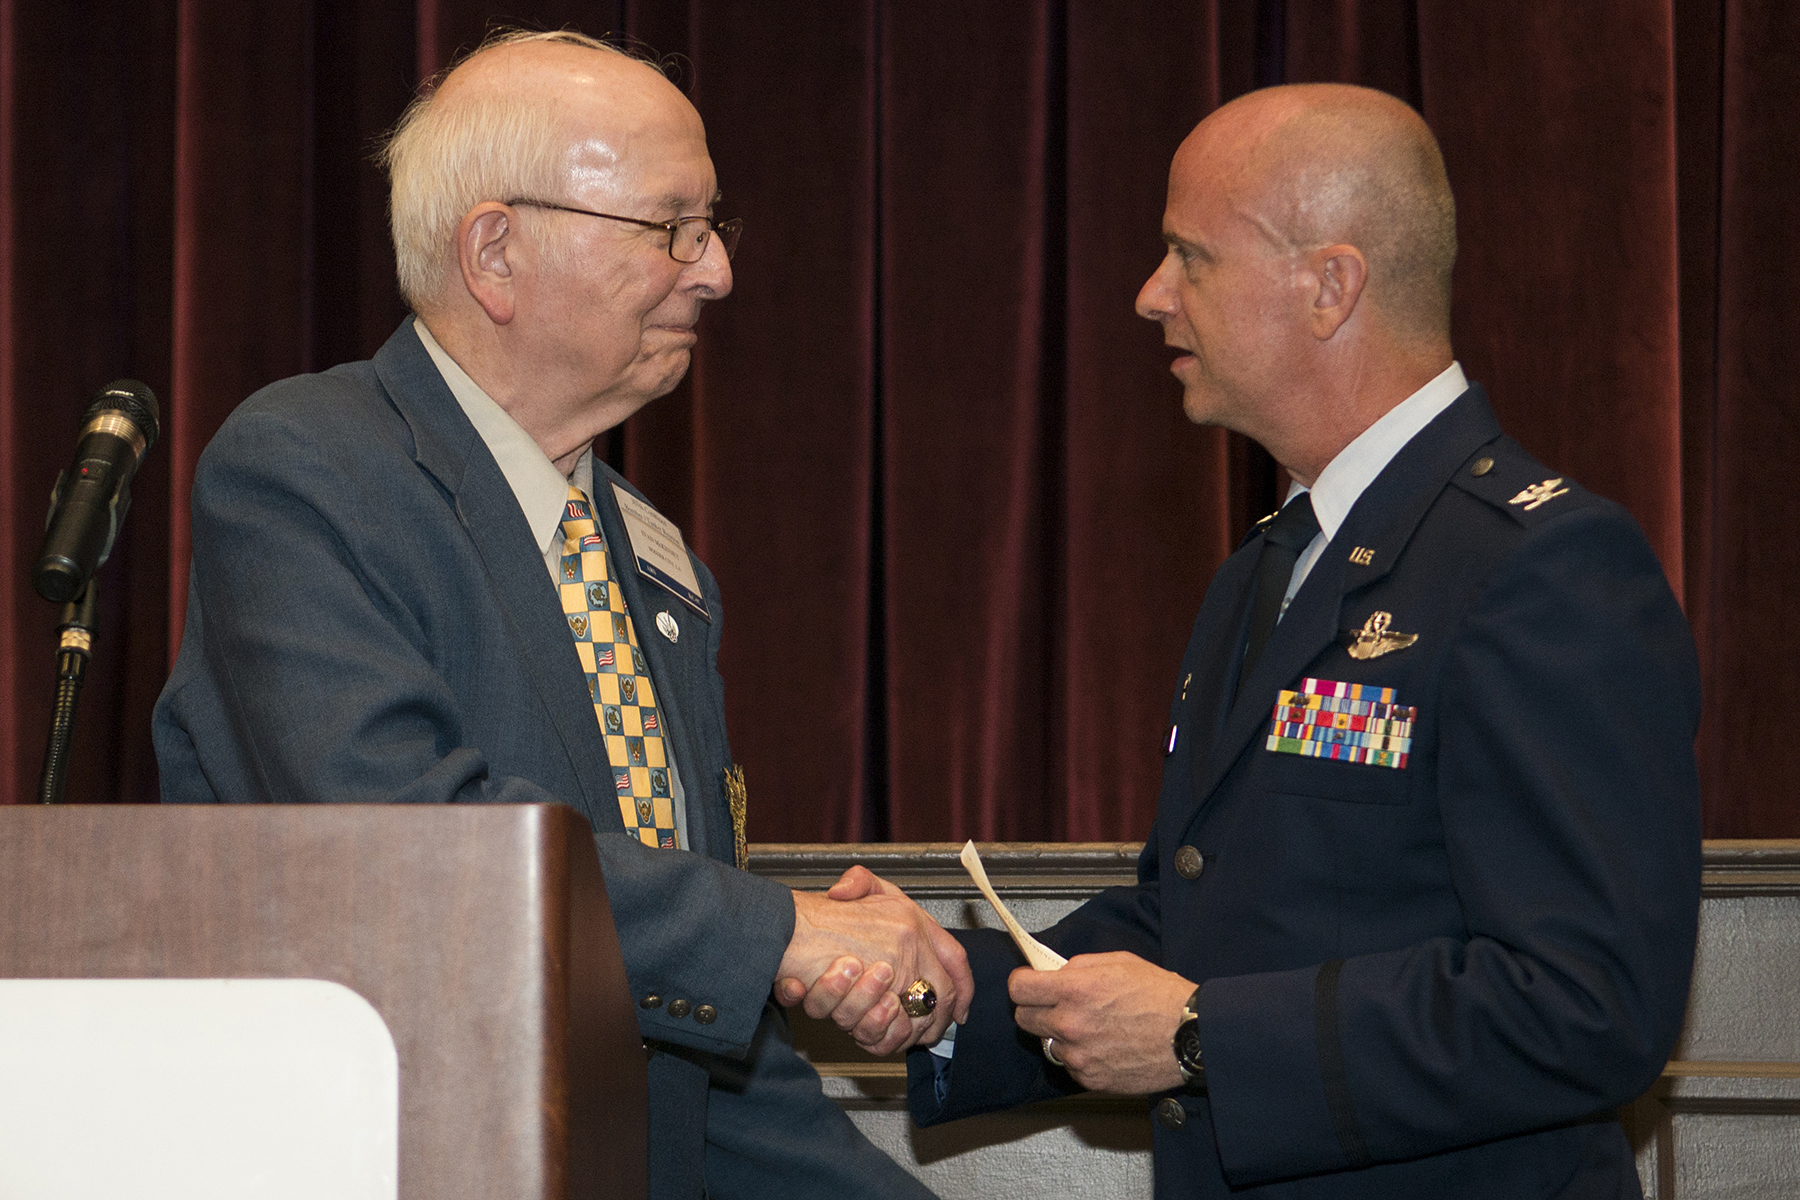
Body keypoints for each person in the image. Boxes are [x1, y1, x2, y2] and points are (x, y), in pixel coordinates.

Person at [799, 83, 1702, 1198]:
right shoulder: (1266, 569)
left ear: (1329, 286)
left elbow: (1589, 1004)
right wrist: (941, 990)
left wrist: (1199, 1034)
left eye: (1191, 256)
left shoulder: (1543, 568)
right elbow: (1191, 924)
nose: (1149, 295)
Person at [152, 29, 966, 1200]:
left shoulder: (654, 555)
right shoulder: (309, 465)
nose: (716, 271)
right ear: (496, 250)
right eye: (670, 228)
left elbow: (687, 1053)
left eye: (712, 229)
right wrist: (774, 932)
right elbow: (408, 844)